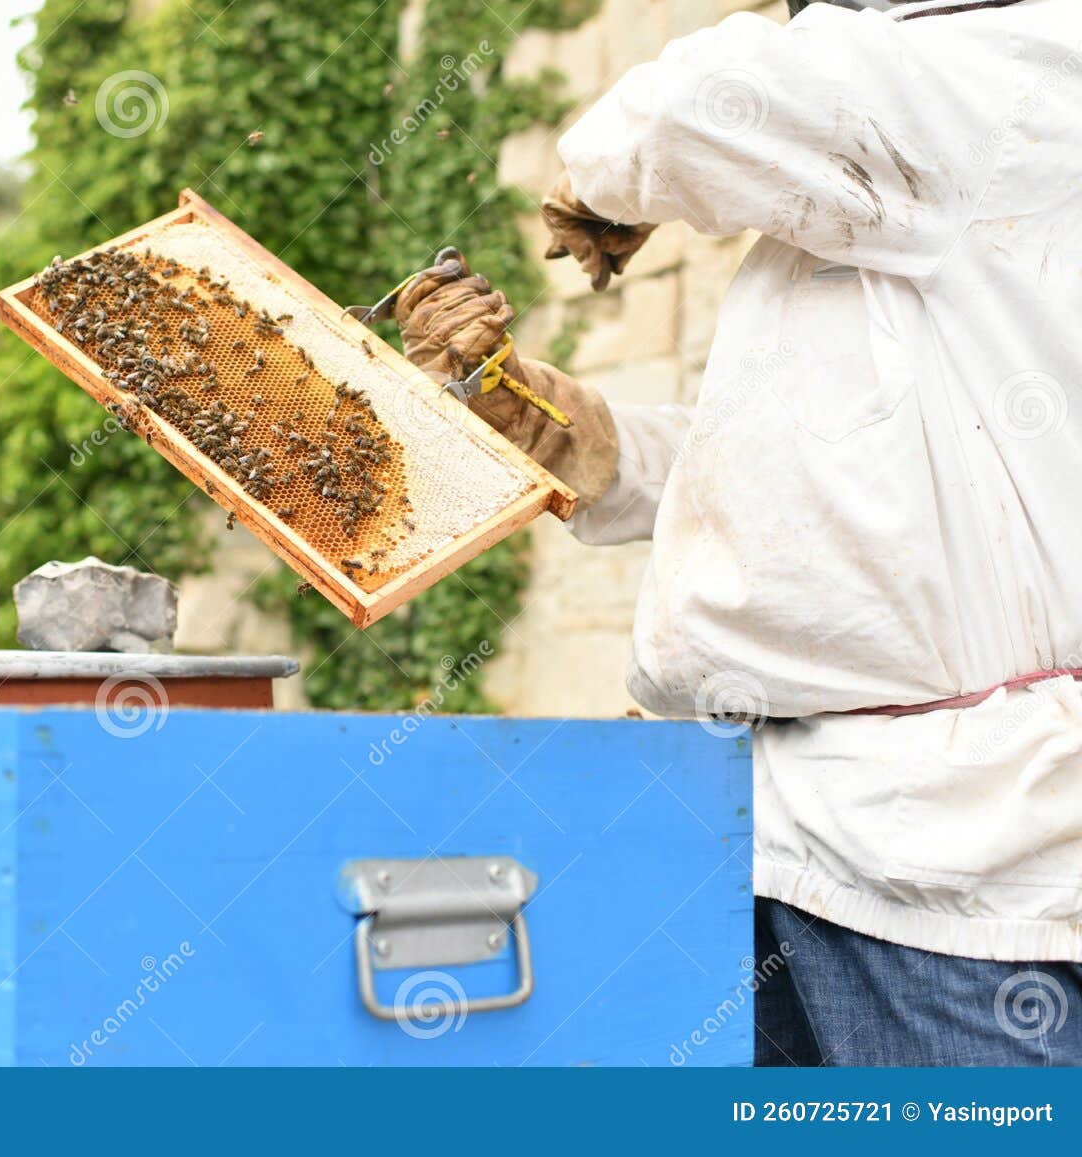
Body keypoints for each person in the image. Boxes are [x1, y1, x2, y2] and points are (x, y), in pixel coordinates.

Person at [396, 0, 1082, 1066]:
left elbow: (684, 109)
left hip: (950, 870)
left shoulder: (1011, 72)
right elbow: (797, 472)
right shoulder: (911, 189)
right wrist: (541, 417)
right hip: (792, 845)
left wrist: (595, 184)